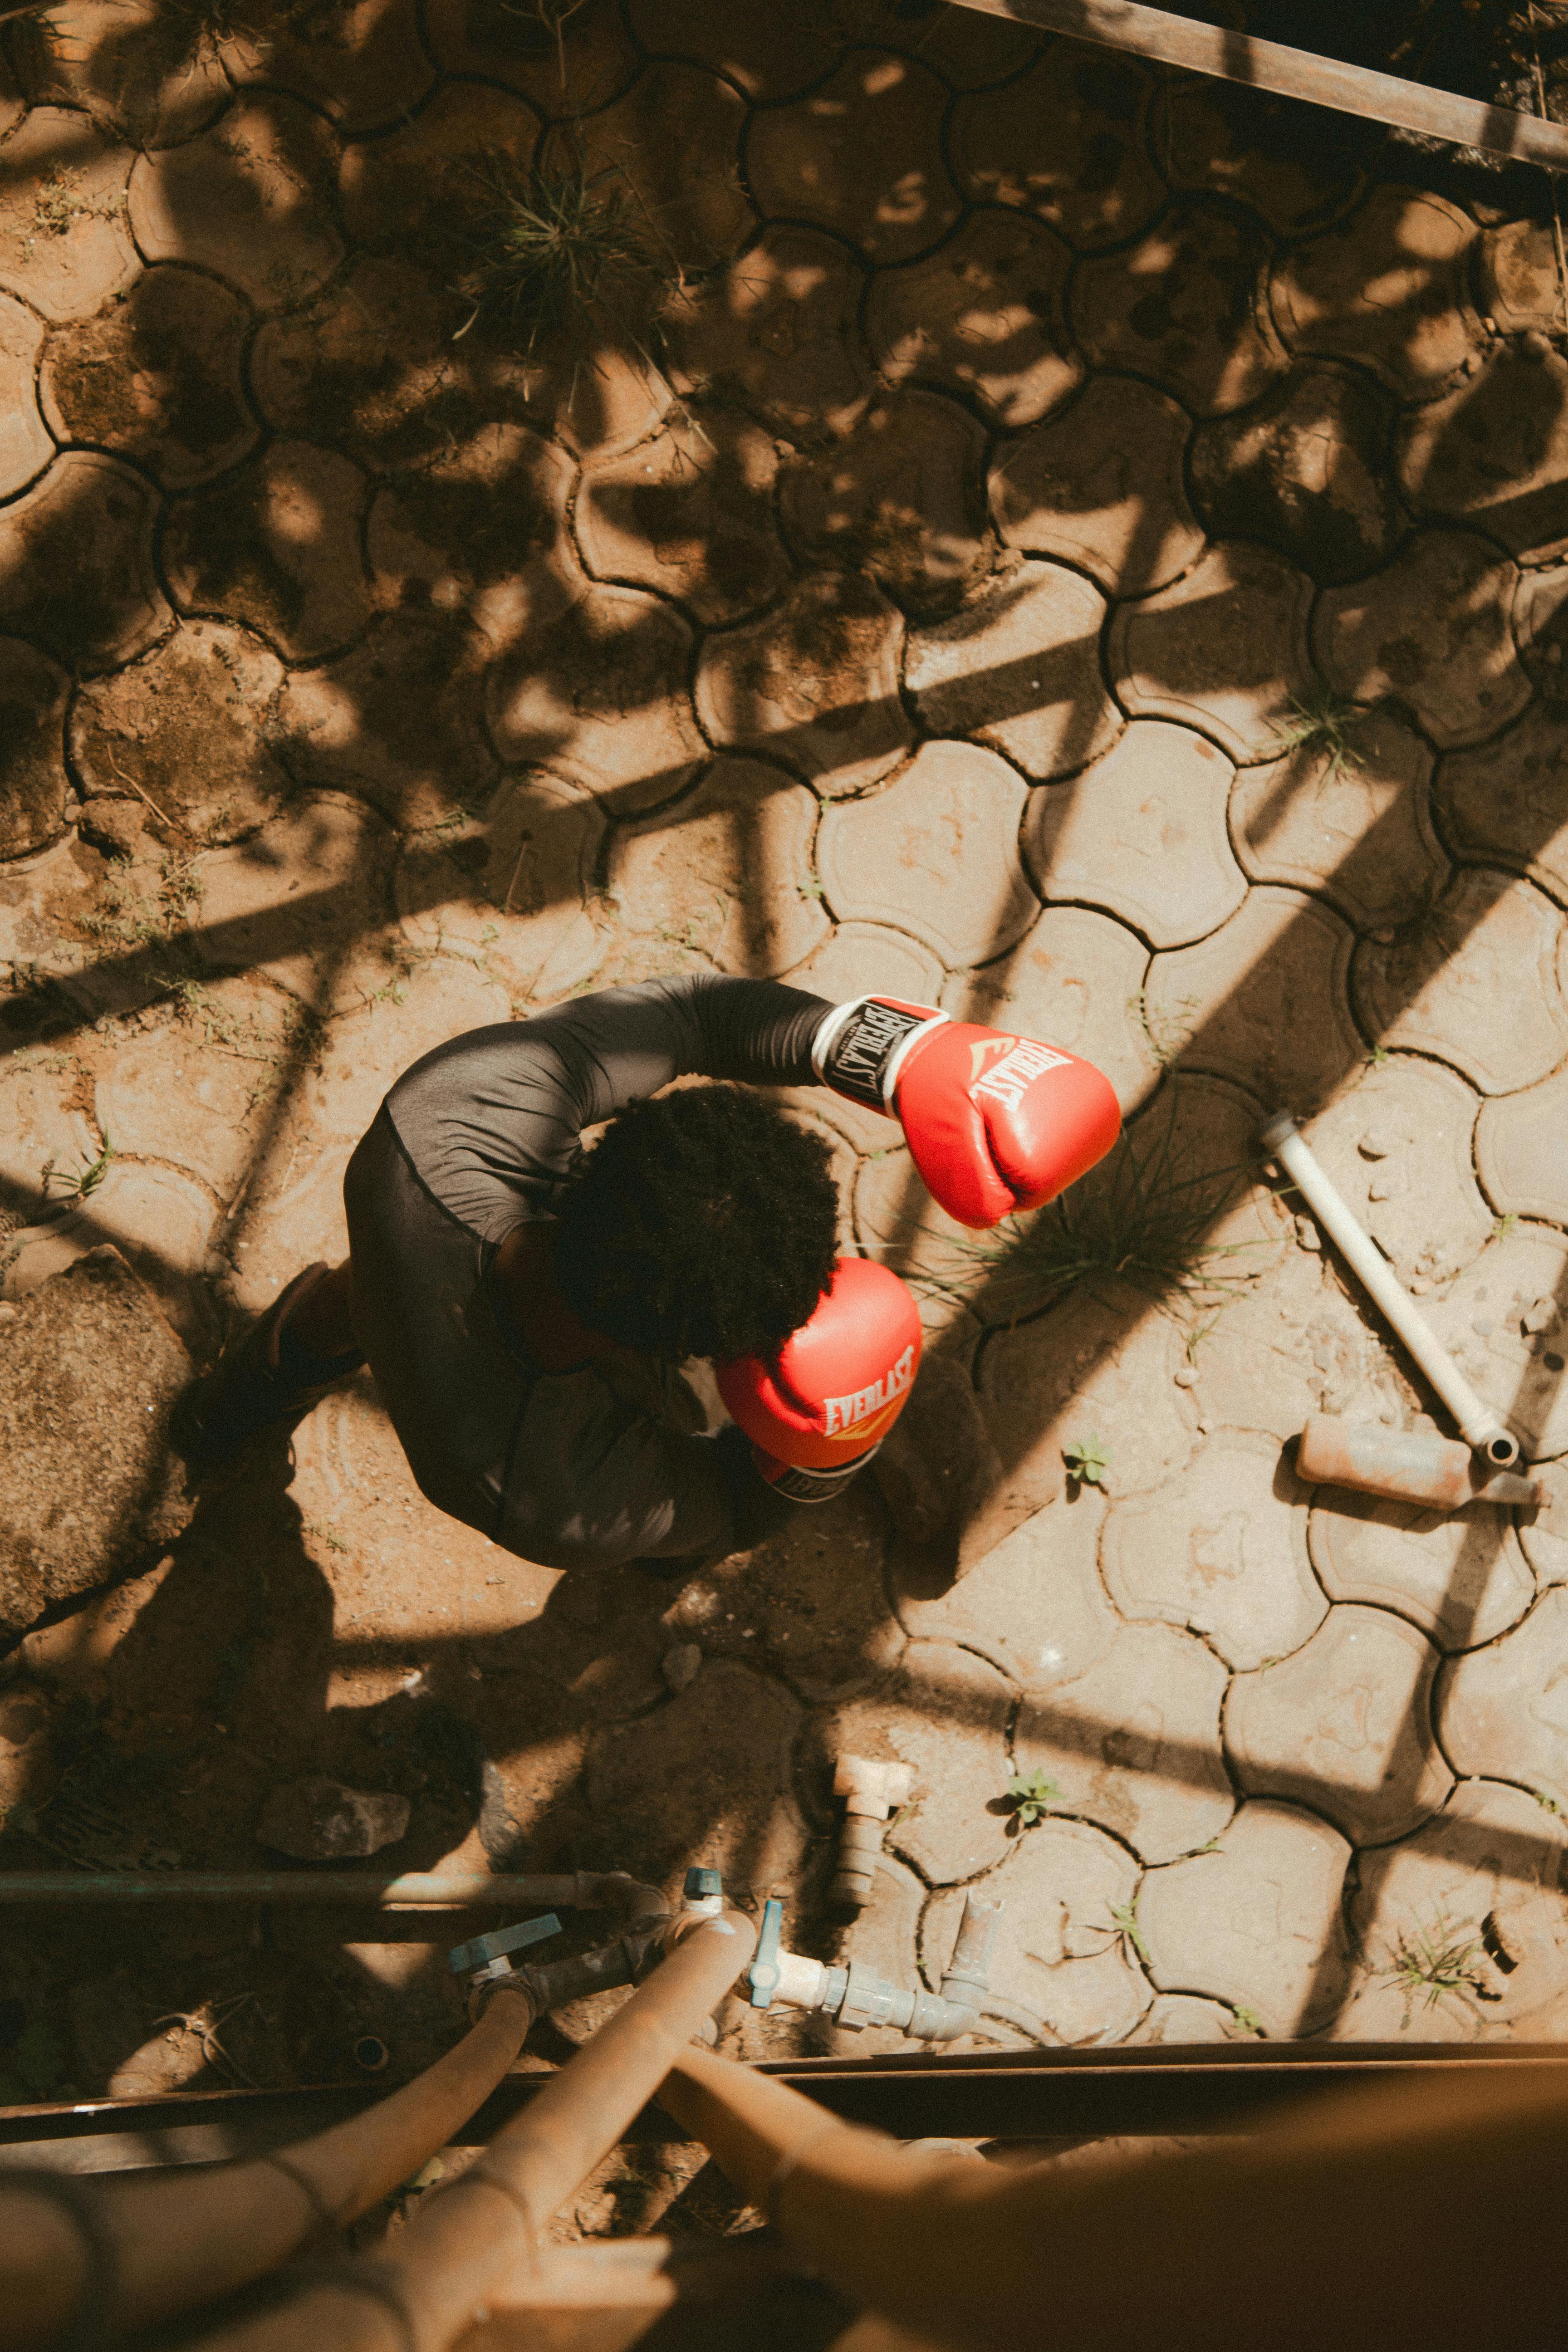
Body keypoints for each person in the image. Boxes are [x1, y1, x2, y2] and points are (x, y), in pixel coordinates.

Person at [173, 973, 1118, 1574]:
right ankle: (246, 1399)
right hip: (497, 1436)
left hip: (406, 1232)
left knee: (361, 1304)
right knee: (679, 1540)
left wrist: (888, 1048)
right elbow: (732, 1513)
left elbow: (693, 1015)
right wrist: (830, 1451)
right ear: (705, 1351)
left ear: (622, 1142)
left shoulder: (459, 1102)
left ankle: (243, 1395)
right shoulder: (567, 1497)